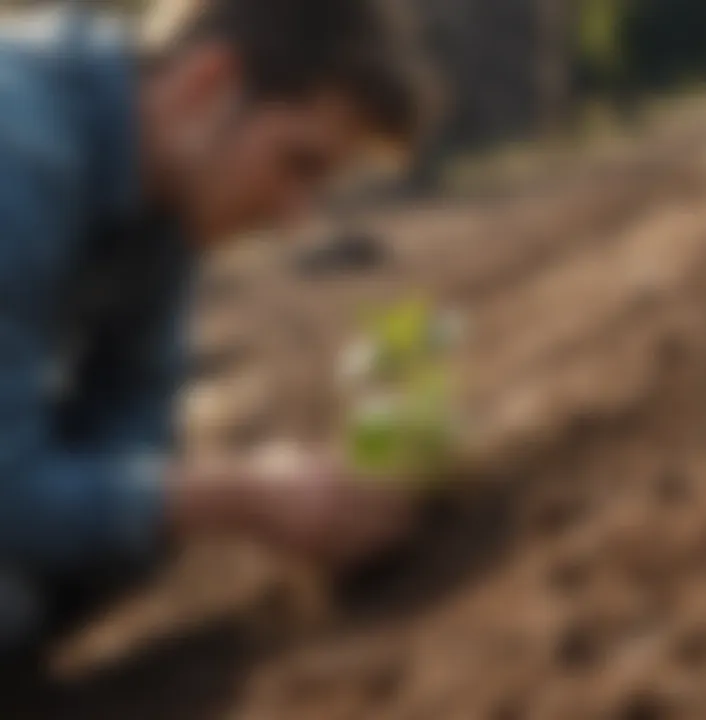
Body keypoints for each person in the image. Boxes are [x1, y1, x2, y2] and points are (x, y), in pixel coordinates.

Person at [0, 0, 431, 658]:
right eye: (298, 164)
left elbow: (136, 431)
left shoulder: (164, 202)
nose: (296, 219)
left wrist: (180, 494)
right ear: (208, 87)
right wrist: (244, 496)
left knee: (118, 548)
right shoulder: (21, 151)